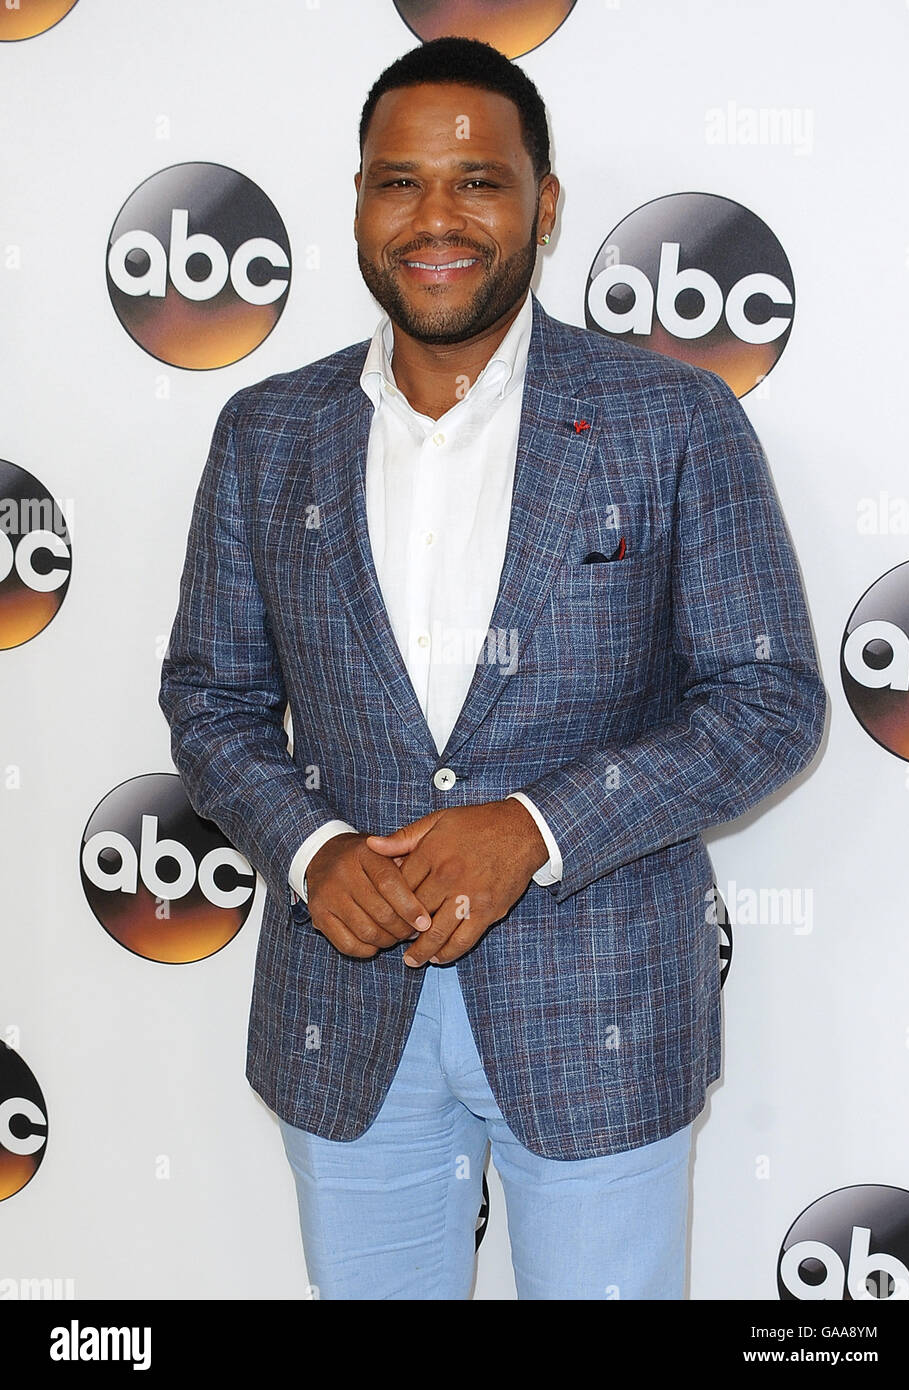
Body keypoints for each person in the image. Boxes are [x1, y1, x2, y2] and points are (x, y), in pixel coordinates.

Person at [159, 36, 826, 1300]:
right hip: (343, 1007)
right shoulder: (266, 431)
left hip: (600, 1012)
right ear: (358, 201)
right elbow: (209, 698)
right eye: (397, 181)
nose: (435, 219)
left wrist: (532, 827)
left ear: (546, 205)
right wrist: (310, 848)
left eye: (478, 181)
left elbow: (770, 702)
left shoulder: (672, 420)